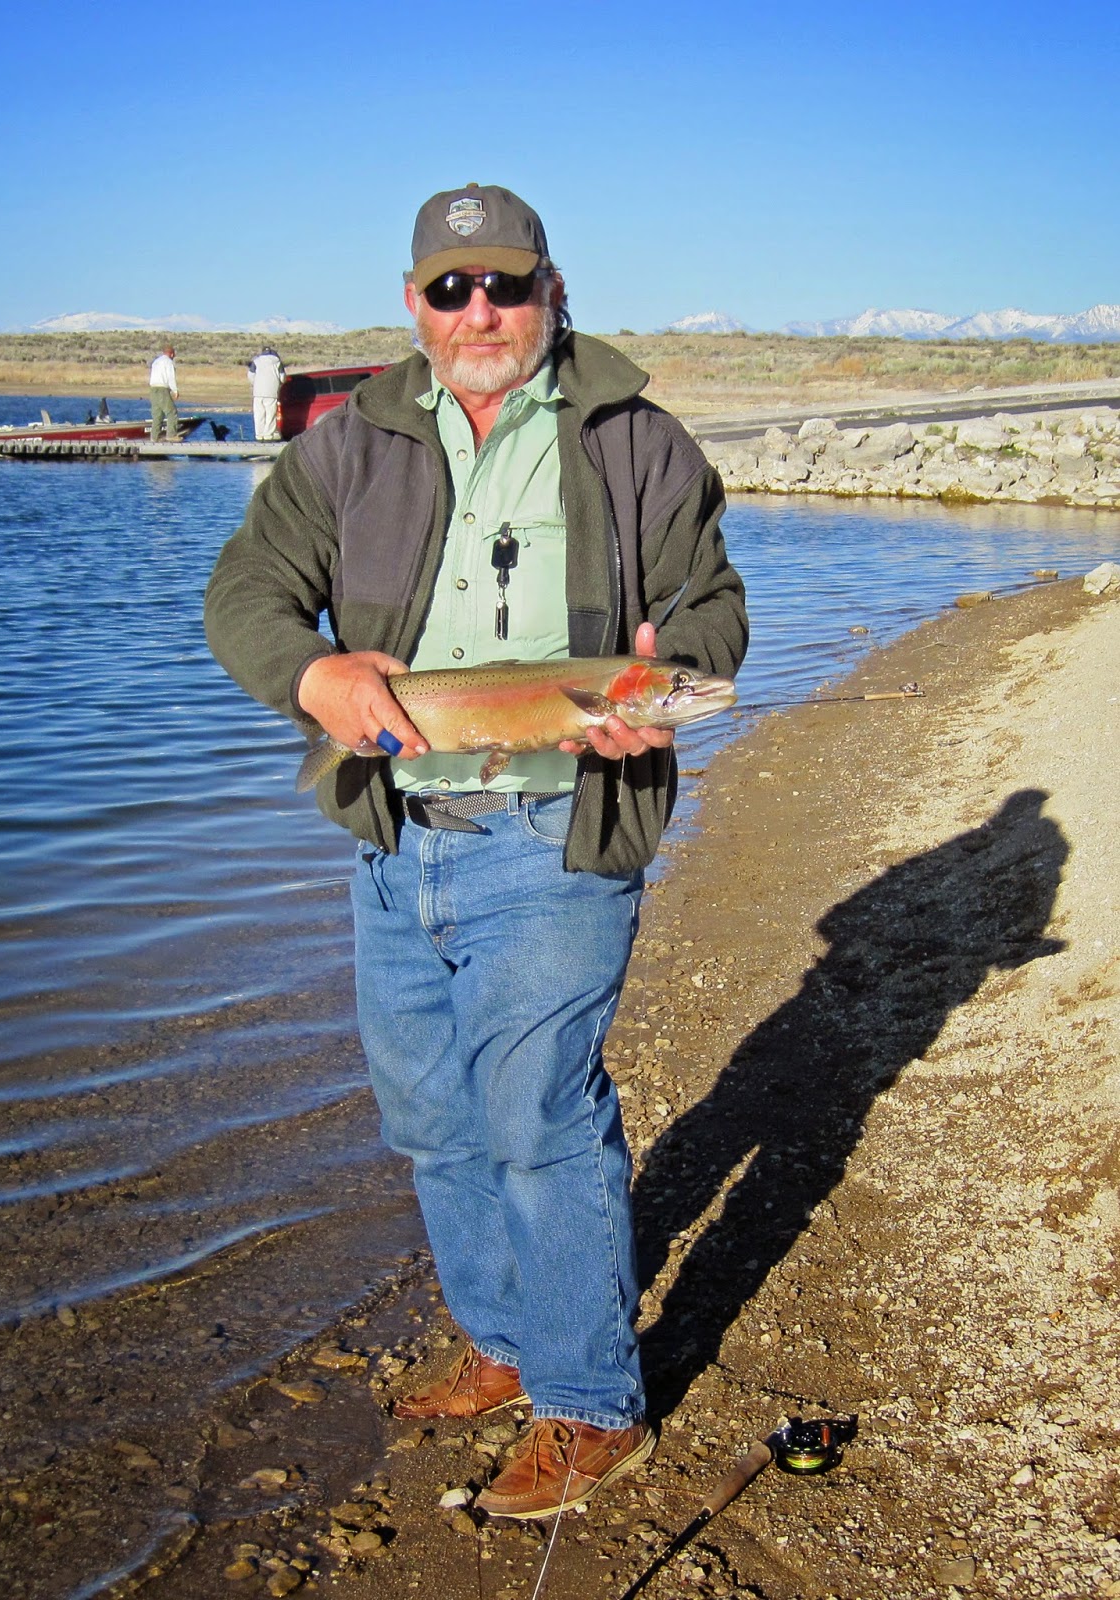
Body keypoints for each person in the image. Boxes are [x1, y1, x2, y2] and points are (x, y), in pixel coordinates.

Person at [204, 183, 748, 1519]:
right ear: (414, 304)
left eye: (505, 285)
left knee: (534, 1113)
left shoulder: (636, 440)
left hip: (556, 831)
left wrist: (664, 684)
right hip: (396, 832)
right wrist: (313, 677)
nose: (480, 311)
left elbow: (709, 614)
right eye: (451, 289)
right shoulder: (346, 447)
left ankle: (586, 1405)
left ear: (551, 291)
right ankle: (501, 1343)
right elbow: (244, 596)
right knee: (433, 1119)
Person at [247, 346, 285, 441]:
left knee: (259, 414)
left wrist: (255, 384)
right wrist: (279, 383)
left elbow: (250, 375)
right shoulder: (278, 362)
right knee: (270, 414)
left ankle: (259, 435)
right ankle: (268, 434)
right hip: (271, 392)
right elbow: (282, 377)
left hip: (258, 393)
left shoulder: (256, 361)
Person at [148, 344, 180, 443]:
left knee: (158, 414)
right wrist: (175, 390)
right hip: (162, 389)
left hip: (153, 389)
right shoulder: (168, 362)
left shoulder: (156, 362)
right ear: (171, 354)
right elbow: (170, 377)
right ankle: (171, 435)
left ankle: (154, 437)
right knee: (171, 412)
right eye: (174, 353)